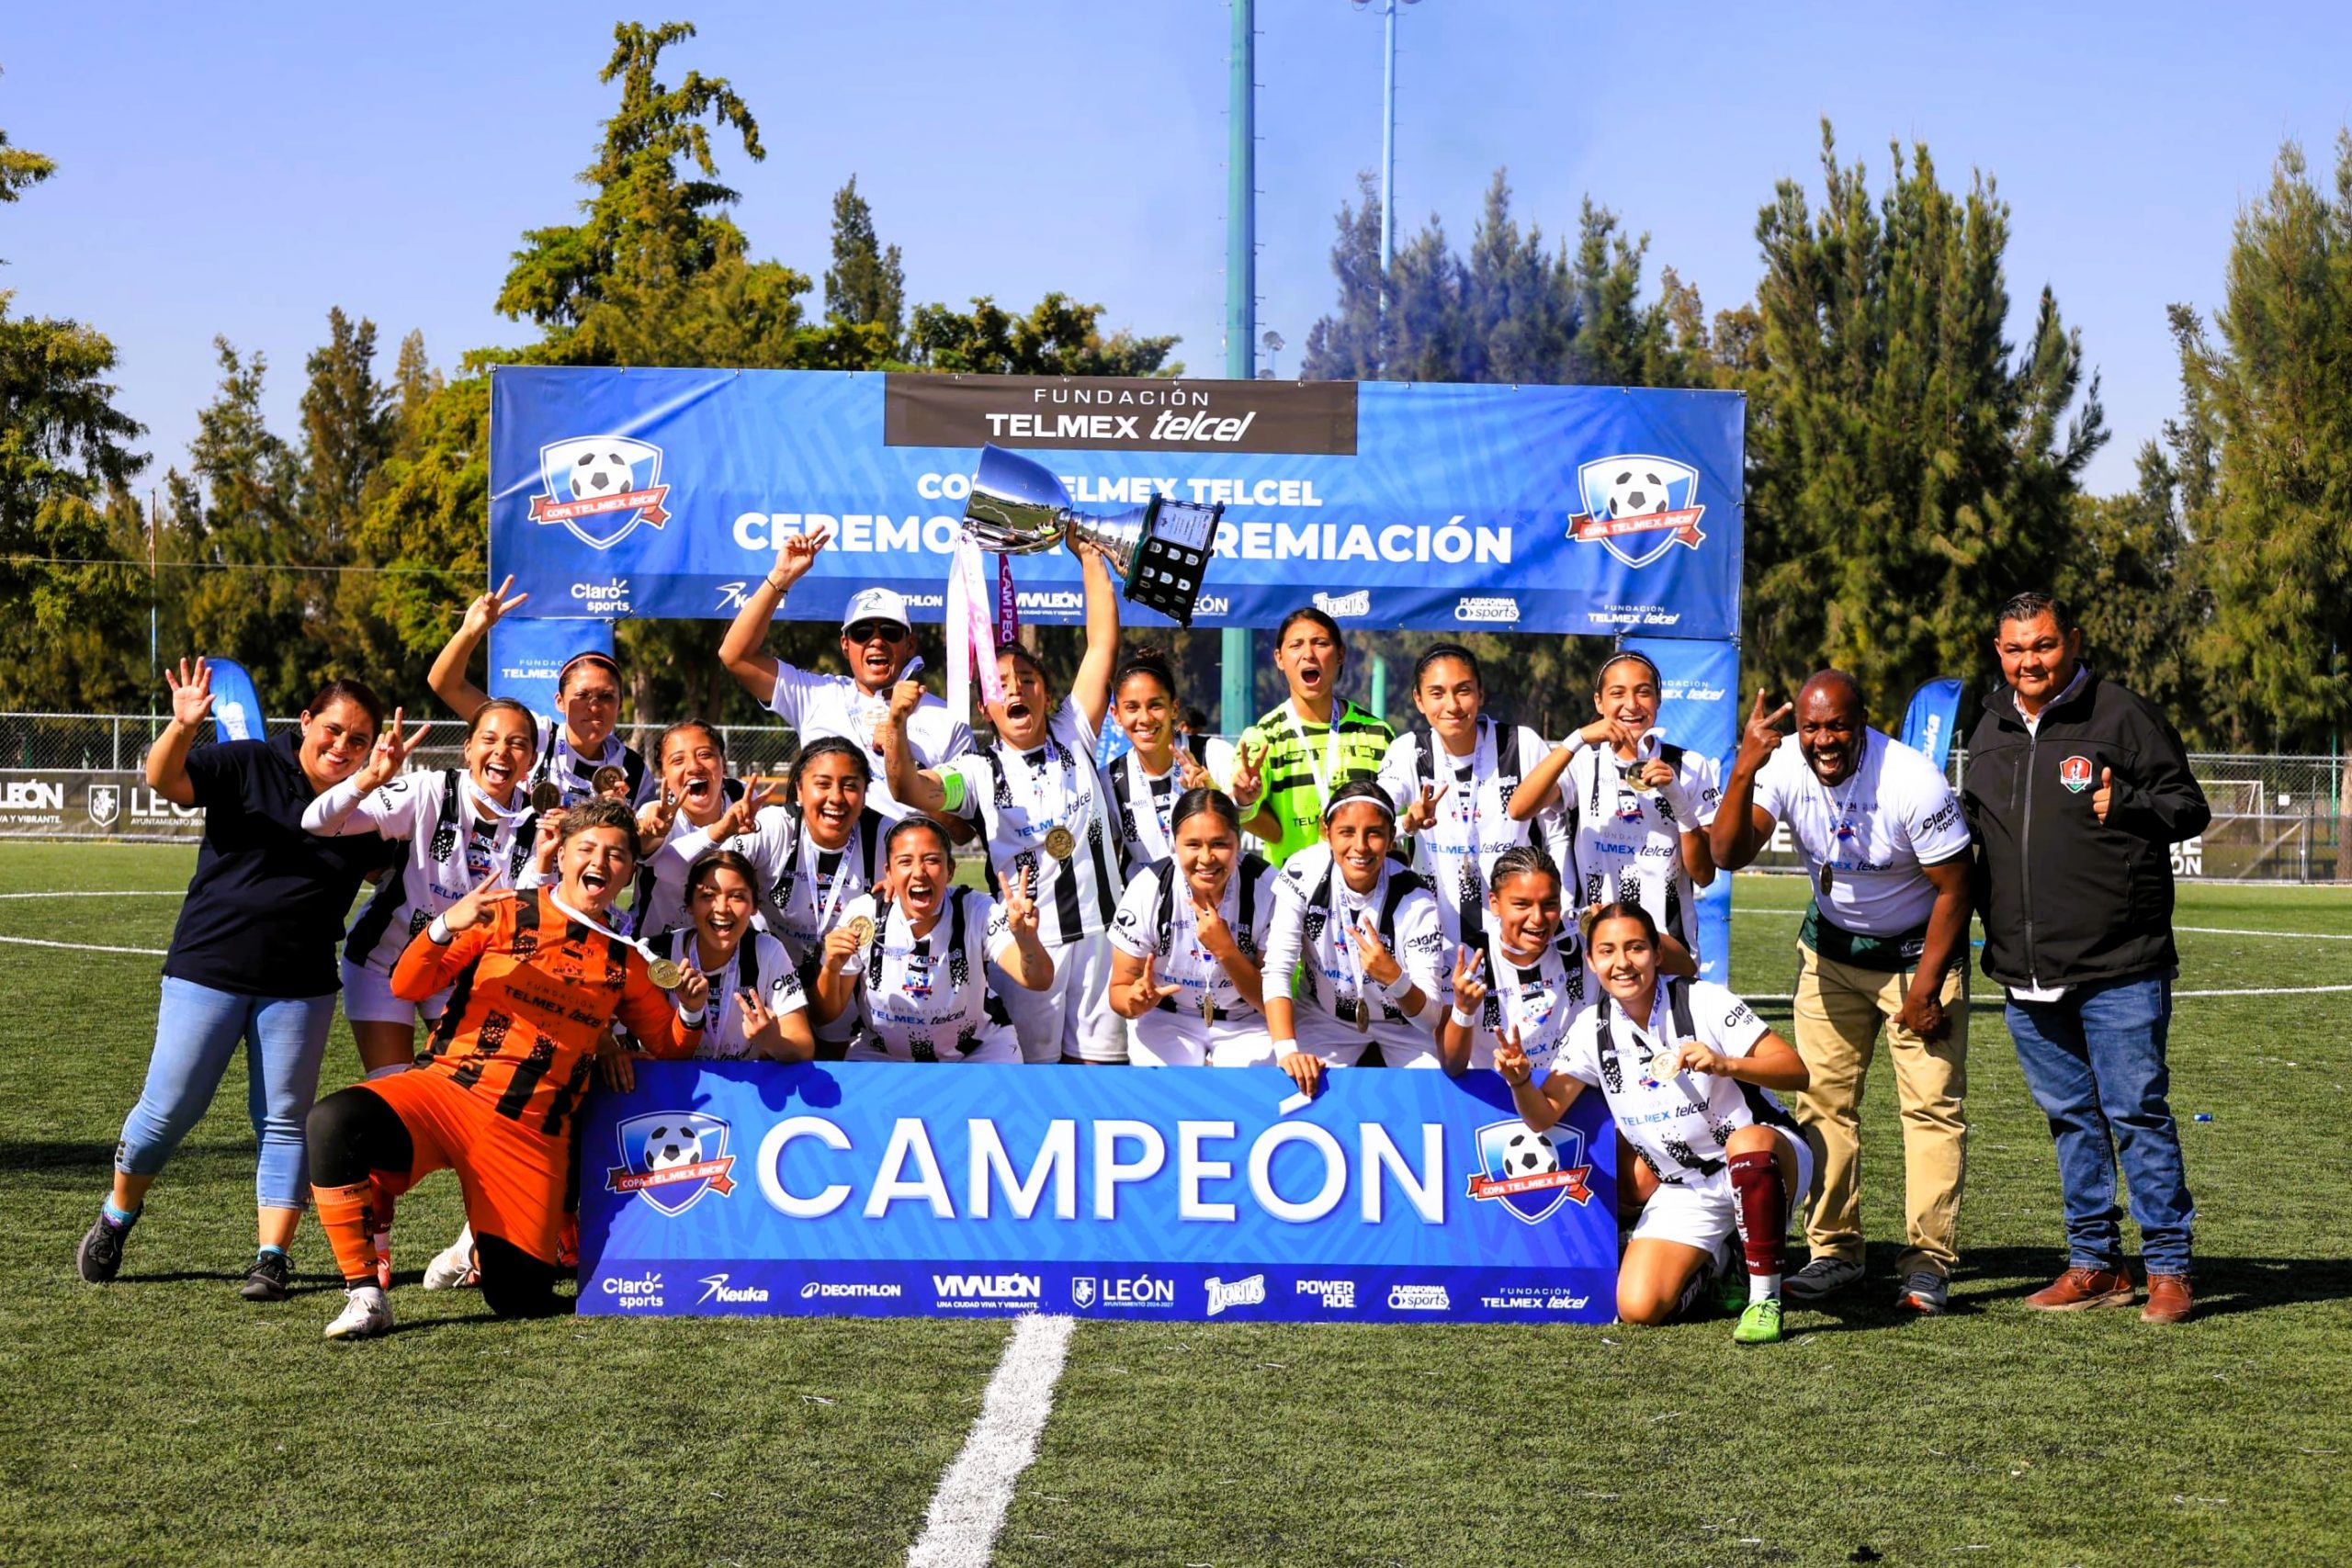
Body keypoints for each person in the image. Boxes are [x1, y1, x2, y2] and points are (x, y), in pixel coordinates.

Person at [303, 800, 707, 1338]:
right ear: (561, 854)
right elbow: (406, 985)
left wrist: (691, 1008)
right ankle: (366, 1294)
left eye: (616, 855)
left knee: (518, 1297)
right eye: (587, 848)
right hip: (447, 1091)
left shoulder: (629, 960)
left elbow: (671, 1047)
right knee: (334, 1121)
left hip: (530, 1132)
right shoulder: (503, 910)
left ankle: (476, 1244)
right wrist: (447, 924)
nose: (601, 862)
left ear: (630, 871)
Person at [77, 662, 394, 1303]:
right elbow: (164, 778)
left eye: (358, 740)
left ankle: (272, 1256)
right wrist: (183, 727)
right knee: (168, 1110)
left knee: (283, 1121)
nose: (342, 747)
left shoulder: (369, 802)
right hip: (209, 969)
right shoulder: (246, 761)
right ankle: (117, 1216)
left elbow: (402, 873)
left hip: (301, 986)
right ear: (305, 721)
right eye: (333, 730)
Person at [1962, 591, 2211, 1324]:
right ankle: (2094, 1263)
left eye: (2041, 645)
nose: (2028, 661)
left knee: (2137, 1112)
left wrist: (2129, 801)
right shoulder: (1991, 725)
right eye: (2014, 648)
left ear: (2070, 640)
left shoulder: (2122, 715)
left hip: (2120, 963)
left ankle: (2169, 1266)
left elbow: (2188, 806)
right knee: (2071, 1117)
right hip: (2025, 968)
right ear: (1998, 651)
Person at [1710, 671, 1974, 1315]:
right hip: (1831, 953)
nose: (1823, 740)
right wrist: (1745, 767)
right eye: (1811, 726)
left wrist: (1928, 987)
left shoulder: (1912, 778)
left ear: (1863, 722)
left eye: (1836, 726)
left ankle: (1927, 1264)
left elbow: (1957, 888)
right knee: (1822, 1103)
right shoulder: (1781, 768)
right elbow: (1725, 853)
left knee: (1931, 1110)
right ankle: (1834, 1252)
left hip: (1918, 954)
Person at [1500, 902, 1813, 1345]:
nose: (1622, 963)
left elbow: (1795, 1070)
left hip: (1768, 1159)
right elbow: (1542, 1114)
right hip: (1685, 1186)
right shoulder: (1592, 1029)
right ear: (1590, 962)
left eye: (1635, 948)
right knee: (1638, 1307)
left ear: (1658, 954)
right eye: (1606, 951)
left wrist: (1727, 1064)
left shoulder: (1703, 999)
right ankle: (1719, 1262)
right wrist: (1518, 1083)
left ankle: (1764, 1299)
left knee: (1747, 1145)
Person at [881, 539, 1127, 1064]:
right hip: (1029, 945)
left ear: (1045, 692)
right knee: (1034, 1080)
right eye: (1002, 684)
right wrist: (896, 727)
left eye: (1028, 680)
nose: (1016, 689)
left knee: (1101, 1077)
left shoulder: (1073, 731)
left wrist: (1088, 556)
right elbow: (908, 789)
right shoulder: (976, 770)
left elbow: (1102, 642)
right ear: (985, 706)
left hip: (1103, 937)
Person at [302, 697, 539, 1077]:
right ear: (468, 748)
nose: (501, 752)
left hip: (457, 971)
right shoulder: (430, 789)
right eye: (489, 739)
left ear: (530, 759)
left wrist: (546, 858)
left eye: (517, 743)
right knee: (394, 1085)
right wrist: (368, 779)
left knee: (468, 1086)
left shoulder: (537, 824)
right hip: (383, 961)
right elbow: (317, 823)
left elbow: (531, 914)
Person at [642, 736, 886, 1054]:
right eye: (822, 784)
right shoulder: (773, 826)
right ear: (799, 789)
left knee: (824, 1062)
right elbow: (672, 871)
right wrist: (721, 830)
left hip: (841, 980)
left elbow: (929, 852)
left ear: (865, 793)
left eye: (850, 785)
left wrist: (905, 874)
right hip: (769, 972)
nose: (836, 798)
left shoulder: (884, 835)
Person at [716, 528, 971, 822]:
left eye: (890, 632)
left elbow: (962, 830)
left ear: (909, 644)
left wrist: (900, 757)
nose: (876, 641)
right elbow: (735, 656)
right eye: (862, 632)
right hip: (825, 865)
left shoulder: (948, 720)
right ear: (845, 645)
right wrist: (781, 578)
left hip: (905, 866)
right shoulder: (817, 696)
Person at [1510, 650, 1719, 962]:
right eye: (1617, 693)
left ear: (1659, 701)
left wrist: (1678, 800)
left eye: (1643, 692)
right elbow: (1519, 808)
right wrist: (1576, 739)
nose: (1632, 705)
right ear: (1599, 702)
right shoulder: (1582, 761)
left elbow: (1704, 875)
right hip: (1591, 949)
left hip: (1667, 949)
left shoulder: (1689, 765)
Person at [1378, 642, 1573, 949]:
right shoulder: (1407, 751)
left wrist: (1564, 907)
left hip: (1519, 933)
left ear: (1481, 694)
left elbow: (1556, 836)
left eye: (1463, 690)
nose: (1452, 705)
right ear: (1418, 699)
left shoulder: (1522, 743)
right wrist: (1408, 823)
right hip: (1437, 936)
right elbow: (1376, 820)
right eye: (1437, 693)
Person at [809, 818, 1053, 1063]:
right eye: (905, 862)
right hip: (881, 1053)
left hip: (979, 1050)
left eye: (932, 860)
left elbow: (1039, 980)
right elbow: (824, 1015)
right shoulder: (863, 914)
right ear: (889, 873)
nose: (919, 873)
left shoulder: (976, 909)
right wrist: (831, 968)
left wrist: (1027, 940)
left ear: (950, 870)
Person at [1261, 780, 1448, 1089]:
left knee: (1434, 1099)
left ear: (1391, 839)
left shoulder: (1416, 898)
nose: (1360, 846)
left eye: (1374, 833)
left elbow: (1428, 1019)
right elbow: (1278, 968)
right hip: (1325, 1018)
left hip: (1402, 1026)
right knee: (1287, 1085)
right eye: (1346, 832)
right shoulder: (1302, 871)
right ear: (1326, 832)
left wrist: (1395, 979)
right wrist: (1287, 1052)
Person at [427, 575, 652, 807]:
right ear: (560, 702)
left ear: (621, 704)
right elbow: (446, 685)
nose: (594, 706)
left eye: (606, 696)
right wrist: (470, 632)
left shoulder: (632, 769)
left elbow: (648, 839)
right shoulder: (533, 735)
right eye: (582, 695)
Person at [1106, 788, 1281, 1067]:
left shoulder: (1268, 886)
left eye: (1220, 844)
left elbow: (1271, 1001)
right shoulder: (1149, 887)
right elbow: (1119, 989)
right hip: (1167, 1017)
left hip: (1246, 1019)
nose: (1206, 858)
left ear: (1239, 842)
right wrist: (1134, 1001)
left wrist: (1226, 951)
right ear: (1175, 843)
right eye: (1193, 844)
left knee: (1248, 1099)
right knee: (1167, 1100)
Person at [1229, 607, 1396, 868]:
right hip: (1292, 896)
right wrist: (1244, 799)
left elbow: (1396, 821)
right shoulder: (1263, 737)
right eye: (1296, 645)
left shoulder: (1378, 734)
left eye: (1320, 643)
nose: (1308, 654)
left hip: (1367, 896)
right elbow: (1243, 813)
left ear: (1340, 654)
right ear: (1279, 658)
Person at [625, 850, 813, 1066]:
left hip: (740, 1089)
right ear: (689, 904)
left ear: (754, 906)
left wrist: (773, 1041)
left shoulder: (768, 950)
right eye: (708, 895)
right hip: (667, 1088)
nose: (722, 909)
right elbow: (605, 1023)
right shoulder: (652, 954)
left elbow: (804, 1046)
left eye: (737, 896)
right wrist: (611, 1048)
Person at [1436, 846, 1588, 1074]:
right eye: (1522, 905)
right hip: (1497, 1092)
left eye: (1549, 904)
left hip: (1568, 1089)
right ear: (1494, 903)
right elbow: (1452, 1065)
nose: (1537, 919)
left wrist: (1620, 929)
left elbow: (1658, 961)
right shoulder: (1468, 960)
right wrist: (1463, 1010)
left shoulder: (1583, 941)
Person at [1102, 646, 1216, 878]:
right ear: (1116, 714)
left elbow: (1245, 820)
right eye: (1132, 707)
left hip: (1212, 908)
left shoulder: (1212, 755)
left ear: (1174, 708)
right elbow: (1108, 862)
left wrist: (1215, 795)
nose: (1144, 719)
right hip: (1145, 911)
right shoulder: (1109, 780)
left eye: (1155, 705)